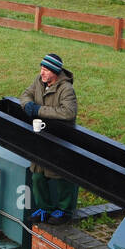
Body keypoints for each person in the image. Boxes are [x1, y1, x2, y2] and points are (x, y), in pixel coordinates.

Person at [20, 52, 79, 223]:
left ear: (55, 71)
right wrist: (28, 105)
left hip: (60, 137)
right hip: (41, 136)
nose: (42, 72)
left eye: (46, 69)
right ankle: (44, 208)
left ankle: (64, 210)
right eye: (41, 68)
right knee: (37, 173)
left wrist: (38, 110)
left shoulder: (66, 88)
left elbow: (68, 112)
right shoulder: (39, 81)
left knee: (59, 175)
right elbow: (25, 95)